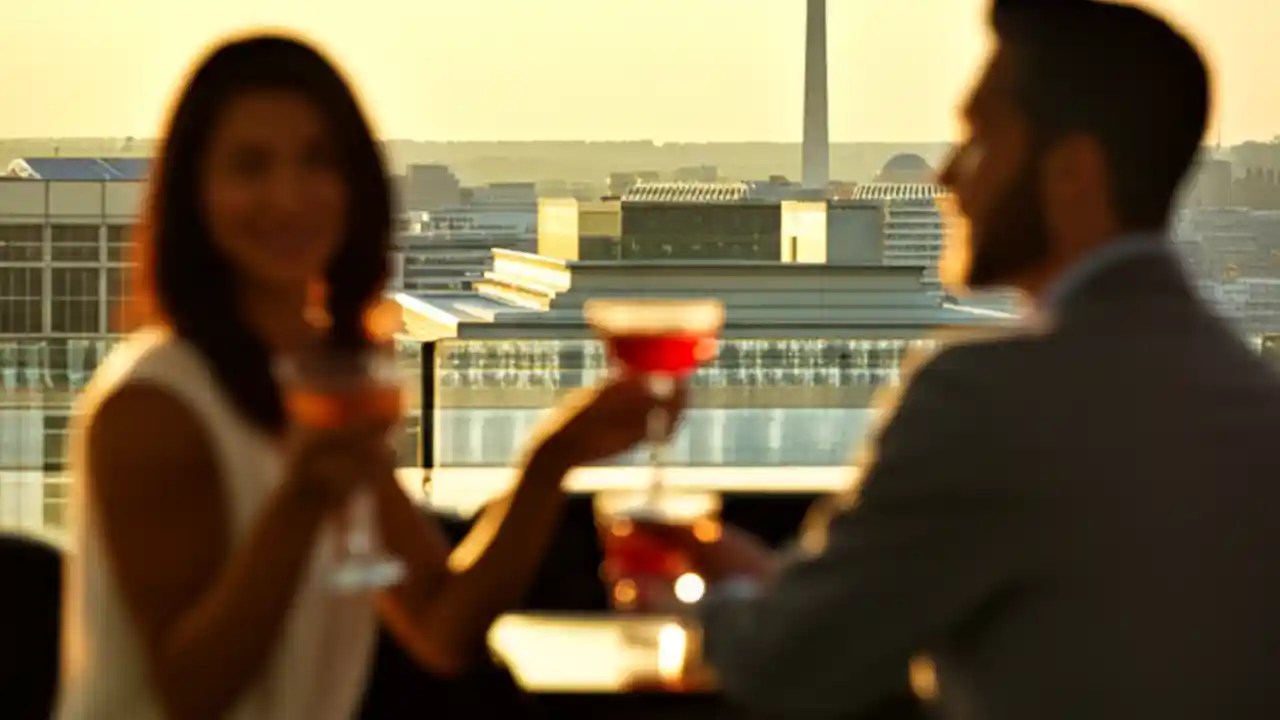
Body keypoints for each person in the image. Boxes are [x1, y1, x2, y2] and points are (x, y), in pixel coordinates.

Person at [655, 2, 1280, 718]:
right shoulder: (1256, 401)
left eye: (980, 136)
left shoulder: (984, 398)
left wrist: (704, 597)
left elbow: (787, 670)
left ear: (1072, 171)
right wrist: (785, 589)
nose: (948, 175)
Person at [55, 35, 680, 720]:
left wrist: (554, 456)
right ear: (194, 194)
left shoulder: (327, 375)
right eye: (250, 166)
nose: (287, 197)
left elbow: (442, 627)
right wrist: (300, 505)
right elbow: (188, 696)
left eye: (317, 161)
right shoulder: (153, 404)